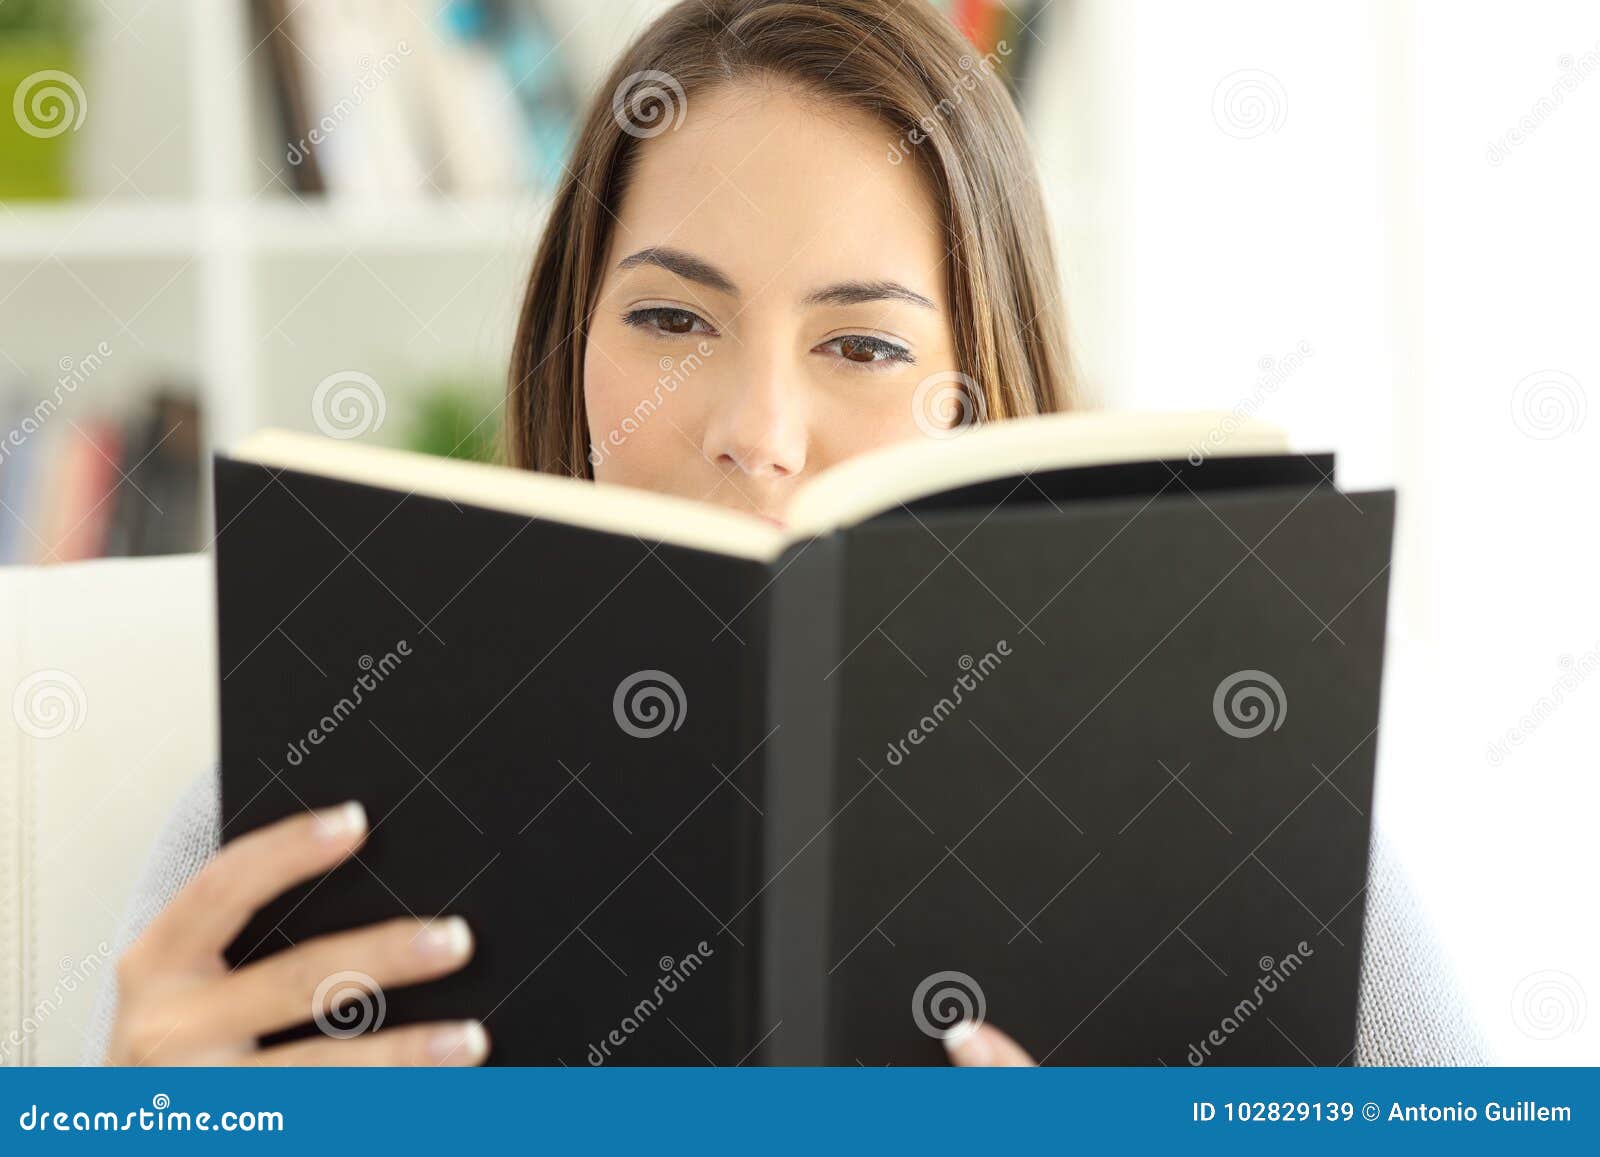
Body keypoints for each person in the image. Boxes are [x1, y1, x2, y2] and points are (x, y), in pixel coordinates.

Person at [89, 0, 1483, 1066]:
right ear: (571, 349)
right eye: (671, 318)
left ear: (982, 397)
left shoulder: (1249, 826)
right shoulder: (298, 817)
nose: (759, 430)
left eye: (864, 344)